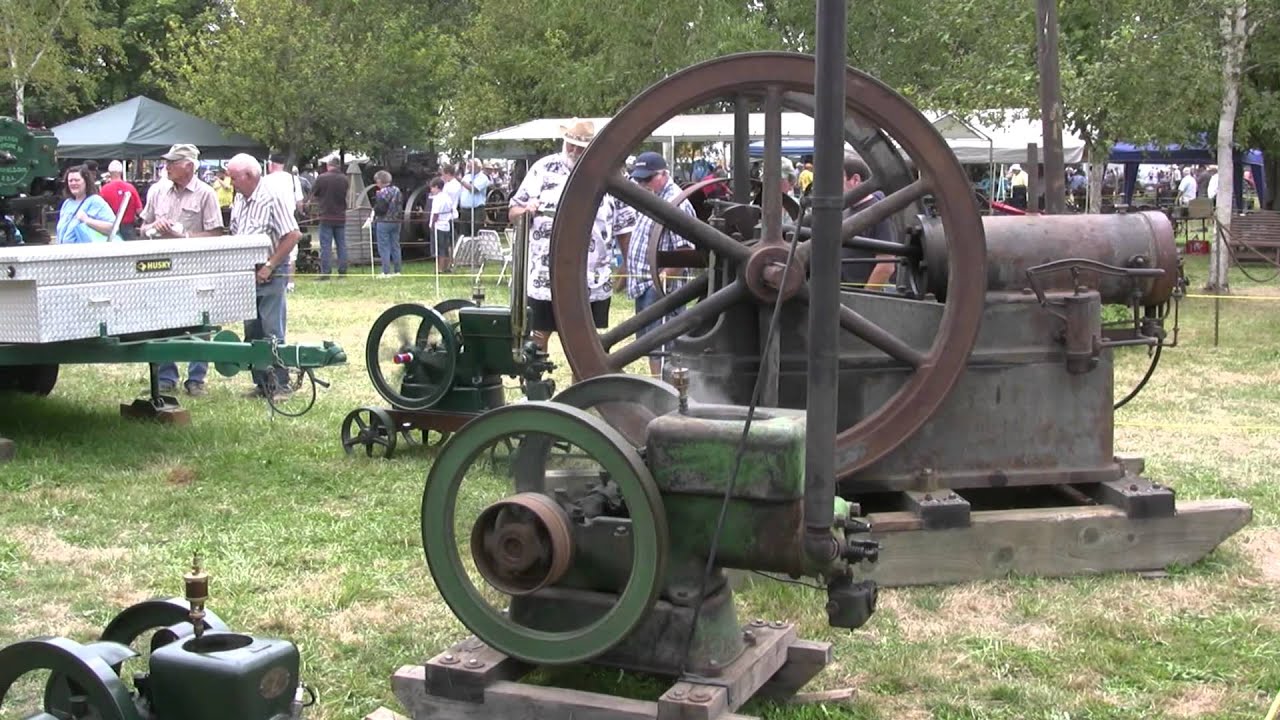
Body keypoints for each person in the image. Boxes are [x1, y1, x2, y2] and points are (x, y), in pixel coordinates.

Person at [509, 119, 635, 353]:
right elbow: (513, 210)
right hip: (544, 278)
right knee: (536, 340)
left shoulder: (610, 175)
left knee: (585, 347)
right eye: (571, 145)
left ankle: (582, 388)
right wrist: (525, 212)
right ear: (564, 142)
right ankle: (537, 388)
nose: (575, 151)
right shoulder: (542, 169)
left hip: (591, 279)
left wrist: (627, 264)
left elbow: (625, 226)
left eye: (581, 147)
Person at [138, 144, 225, 396]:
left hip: (194, 269)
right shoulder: (157, 190)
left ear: (188, 165)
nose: (166, 166)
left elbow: (216, 234)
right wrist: (153, 227)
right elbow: (142, 229)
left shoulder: (206, 194)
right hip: (159, 268)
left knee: (200, 323)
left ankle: (196, 379)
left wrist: (183, 235)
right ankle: (165, 377)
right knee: (162, 321)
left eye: (172, 162)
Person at [226, 153, 301, 399]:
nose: (231, 182)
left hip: (270, 273)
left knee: (272, 331)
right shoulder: (239, 199)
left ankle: (281, 384)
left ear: (249, 176)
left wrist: (270, 265)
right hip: (247, 274)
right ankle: (262, 384)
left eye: (234, 177)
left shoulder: (272, 197)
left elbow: (292, 235)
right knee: (253, 331)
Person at [623, 151, 694, 377]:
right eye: (639, 179)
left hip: (661, 289)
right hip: (646, 284)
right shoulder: (656, 198)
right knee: (648, 343)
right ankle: (658, 386)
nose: (642, 184)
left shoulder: (676, 202)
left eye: (647, 179)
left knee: (660, 346)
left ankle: (663, 391)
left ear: (664, 174)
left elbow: (684, 250)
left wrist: (661, 281)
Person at [842, 154, 897, 289]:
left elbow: (886, 265)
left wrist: (866, 296)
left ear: (855, 180)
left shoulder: (879, 214)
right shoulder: (845, 212)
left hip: (858, 298)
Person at [308, 158, 349, 279]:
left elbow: (314, 193)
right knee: (341, 245)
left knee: (325, 246)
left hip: (326, 215)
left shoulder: (322, 178)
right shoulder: (344, 179)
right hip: (340, 216)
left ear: (328, 166)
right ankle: (342, 272)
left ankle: (325, 272)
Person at [55, 166, 116, 245]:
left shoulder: (95, 201)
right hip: (66, 254)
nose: (73, 183)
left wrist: (87, 220)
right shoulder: (67, 203)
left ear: (86, 182)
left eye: (77, 180)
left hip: (85, 254)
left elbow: (113, 228)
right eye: (70, 181)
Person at [371, 170, 403, 277]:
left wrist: (375, 206)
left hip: (384, 221)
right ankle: (398, 270)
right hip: (396, 221)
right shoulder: (397, 190)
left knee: (384, 246)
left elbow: (380, 209)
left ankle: (385, 271)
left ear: (380, 181)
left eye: (377, 181)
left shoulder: (382, 192)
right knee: (395, 245)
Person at [99, 160, 142, 239]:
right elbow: (139, 210)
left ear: (109, 172)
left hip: (110, 228)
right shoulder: (130, 188)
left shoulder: (104, 190)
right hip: (128, 229)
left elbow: (99, 211)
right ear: (121, 172)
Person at [427, 176, 456, 273]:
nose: (431, 190)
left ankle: (439, 268)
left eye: (432, 188)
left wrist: (432, 224)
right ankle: (446, 267)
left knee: (439, 249)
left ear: (436, 187)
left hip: (438, 225)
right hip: (446, 225)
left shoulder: (437, 199)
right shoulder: (447, 197)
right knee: (445, 247)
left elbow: (435, 213)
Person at [458, 159, 490, 238]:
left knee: (476, 233)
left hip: (477, 210)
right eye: (468, 165)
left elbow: (473, 189)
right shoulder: (466, 177)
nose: (468, 167)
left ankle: (477, 249)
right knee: (464, 234)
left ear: (477, 167)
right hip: (465, 210)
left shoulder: (483, 178)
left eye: (470, 165)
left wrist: (461, 181)